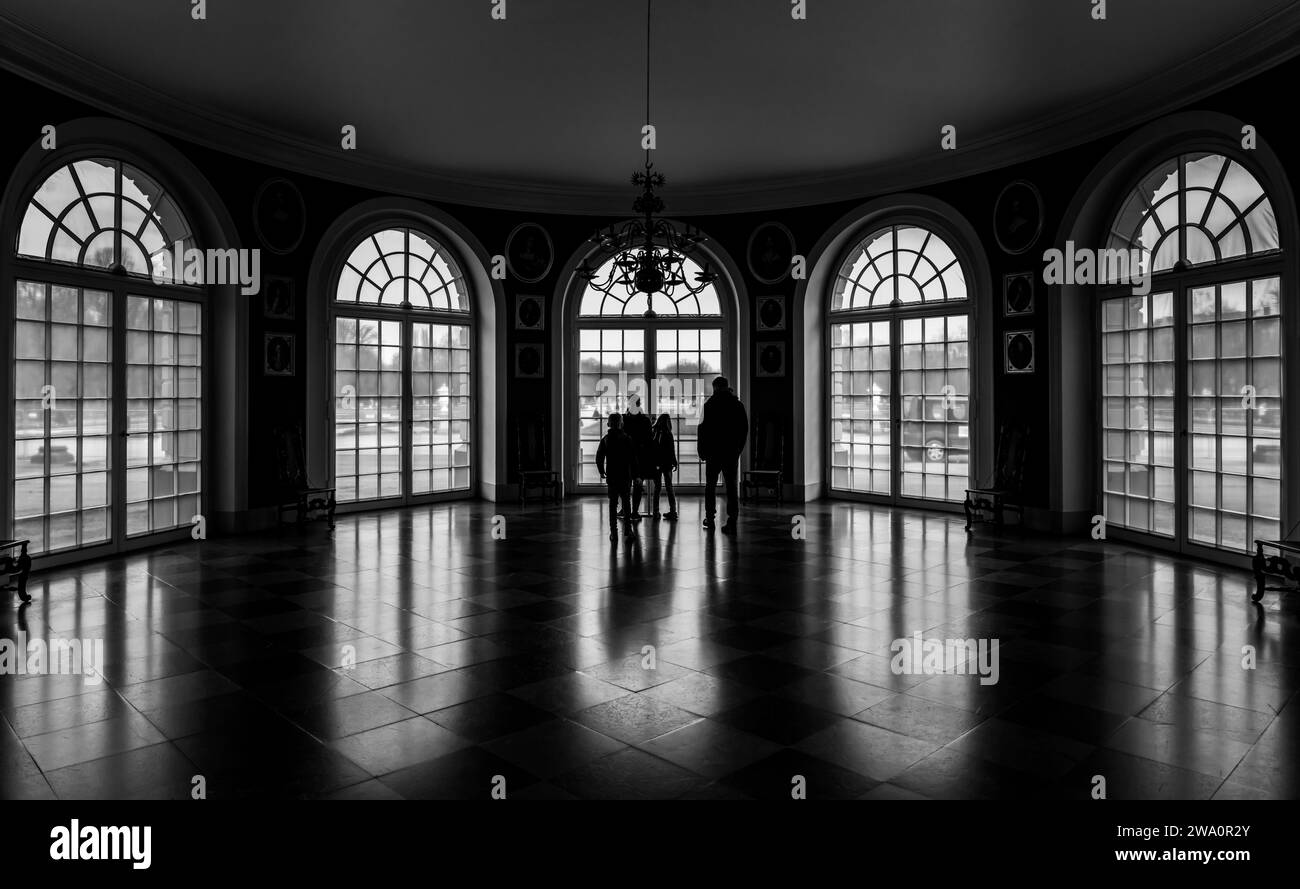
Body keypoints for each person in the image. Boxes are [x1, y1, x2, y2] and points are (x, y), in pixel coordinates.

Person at [697, 376, 748, 533]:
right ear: (727, 386)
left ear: (715, 388)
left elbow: (702, 430)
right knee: (732, 487)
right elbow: (743, 429)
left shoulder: (709, 405)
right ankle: (732, 520)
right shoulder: (737, 405)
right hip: (731, 451)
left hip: (713, 452)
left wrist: (702, 451)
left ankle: (710, 518)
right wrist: (738, 449)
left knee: (710, 486)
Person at [596, 412, 636, 542]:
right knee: (626, 503)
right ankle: (628, 530)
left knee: (613, 505)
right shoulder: (627, 439)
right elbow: (633, 459)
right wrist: (636, 475)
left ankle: (614, 532)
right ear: (621, 423)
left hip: (612, 476)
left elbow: (599, 457)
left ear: (609, 424)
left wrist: (602, 471)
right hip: (625, 475)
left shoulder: (606, 439)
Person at [622, 394, 654, 520]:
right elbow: (649, 440)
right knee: (638, 485)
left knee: (625, 485)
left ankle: (626, 510)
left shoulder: (624, 419)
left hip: (626, 456)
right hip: (640, 456)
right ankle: (634, 511)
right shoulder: (645, 420)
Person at [650, 413, 678, 520]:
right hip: (667, 464)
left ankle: (655, 512)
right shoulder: (668, 434)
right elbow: (671, 451)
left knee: (657, 488)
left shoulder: (654, 433)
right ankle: (673, 511)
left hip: (657, 464)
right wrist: (674, 462)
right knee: (669, 487)